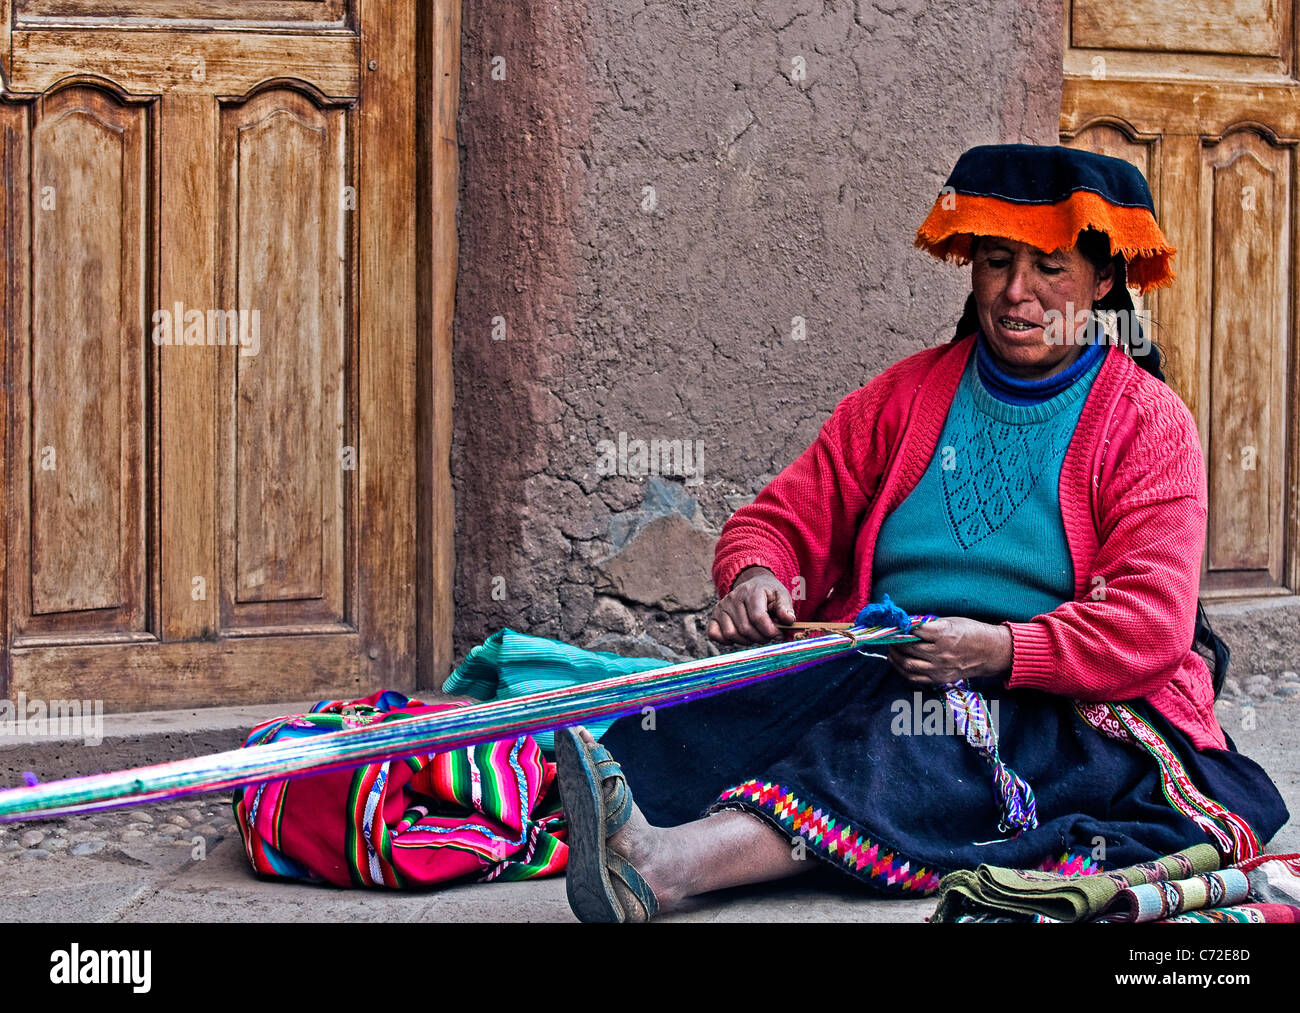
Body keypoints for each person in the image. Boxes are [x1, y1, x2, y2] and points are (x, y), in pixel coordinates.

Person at [554, 143, 1290, 923]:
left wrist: (999, 650)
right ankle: (650, 829)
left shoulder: (1147, 423)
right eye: (997, 261)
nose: (1018, 293)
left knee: (904, 751)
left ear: (1103, 281)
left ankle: (666, 869)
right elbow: (786, 517)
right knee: (689, 726)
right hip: (885, 656)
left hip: (1055, 697)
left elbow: (1151, 623)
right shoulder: (905, 396)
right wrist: (758, 575)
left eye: (1051, 268)